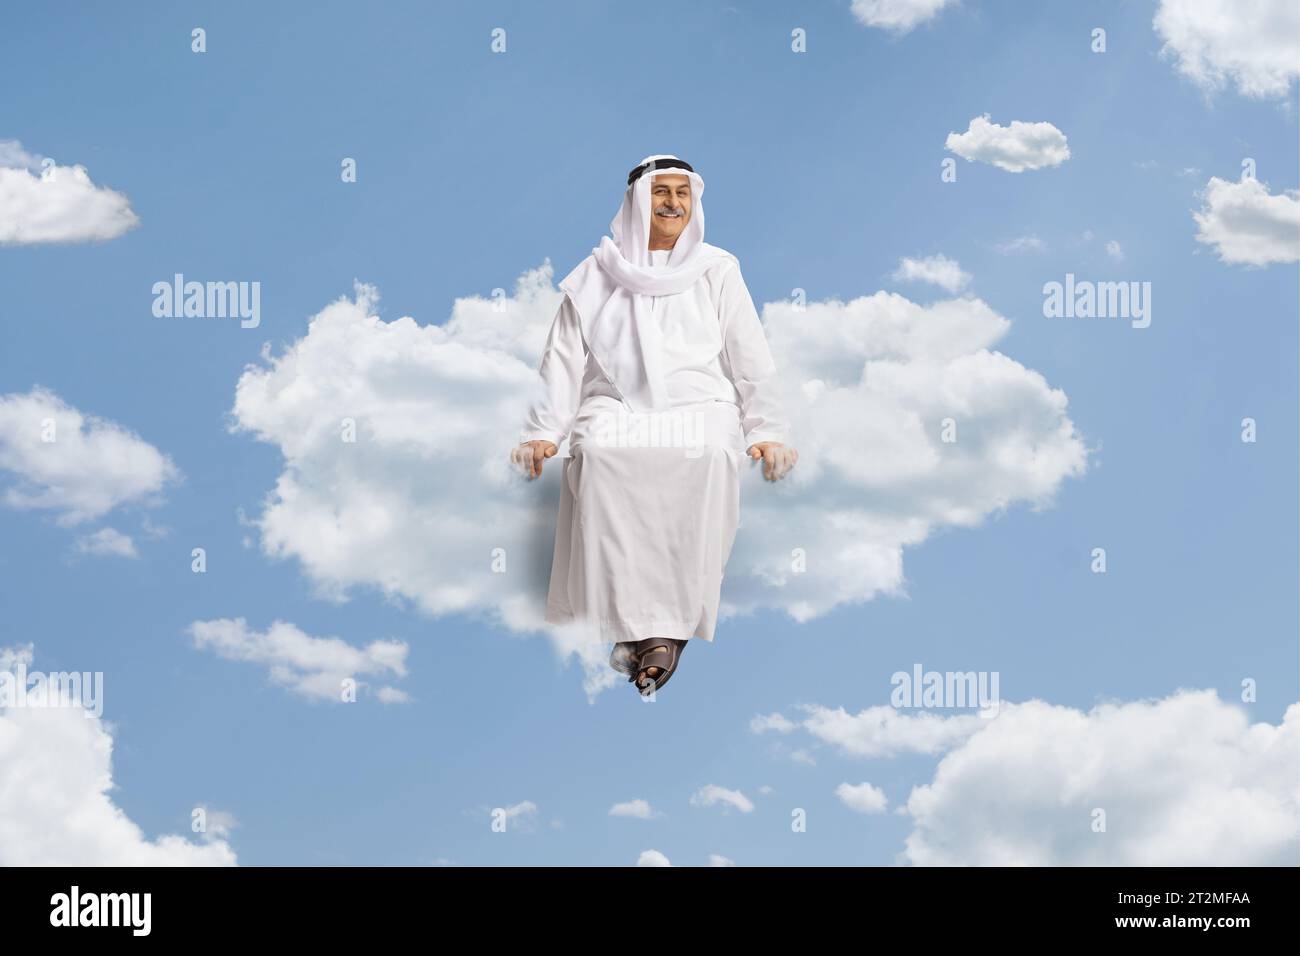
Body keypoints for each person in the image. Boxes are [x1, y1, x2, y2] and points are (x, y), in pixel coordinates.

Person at [512, 154, 796, 697]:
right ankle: (633, 624)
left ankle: (668, 627)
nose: (671, 204)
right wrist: (544, 430)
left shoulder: (718, 268)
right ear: (638, 201)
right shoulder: (595, 273)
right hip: (614, 401)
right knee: (596, 456)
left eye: (681, 194)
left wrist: (766, 431)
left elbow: (749, 354)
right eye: (660, 193)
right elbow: (564, 358)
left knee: (710, 456)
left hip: (699, 401)